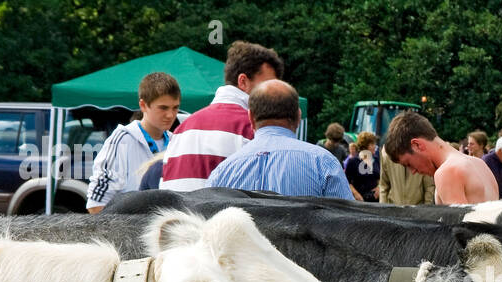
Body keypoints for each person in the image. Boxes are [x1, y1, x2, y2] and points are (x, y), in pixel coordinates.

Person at [161, 40, 282, 191]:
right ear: (243, 81)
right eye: (267, 86)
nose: (274, 94)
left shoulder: (181, 130)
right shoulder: (253, 129)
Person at [207, 81, 349, 198]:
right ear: (298, 116)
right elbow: (348, 224)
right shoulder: (324, 164)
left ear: (250, 117)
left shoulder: (221, 173)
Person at [86, 72, 181, 212]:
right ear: (143, 105)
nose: (170, 115)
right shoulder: (122, 140)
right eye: (163, 108)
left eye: (175, 107)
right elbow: (96, 204)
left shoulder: (178, 141)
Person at [384, 111, 498, 205]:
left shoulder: (447, 172)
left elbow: (458, 230)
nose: (413, 171)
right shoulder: (480, 164)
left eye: (408, 164)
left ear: (417, 145)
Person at [344, 130, 380, 201]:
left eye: (374, 144)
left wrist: (379, 188)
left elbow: (380, 178)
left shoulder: (376, 160)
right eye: (372, 144)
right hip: (359, 200)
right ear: (364, 146)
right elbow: (347, 182)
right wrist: (356, 194)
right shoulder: (353, 162)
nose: (374, 147)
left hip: (375, 201)